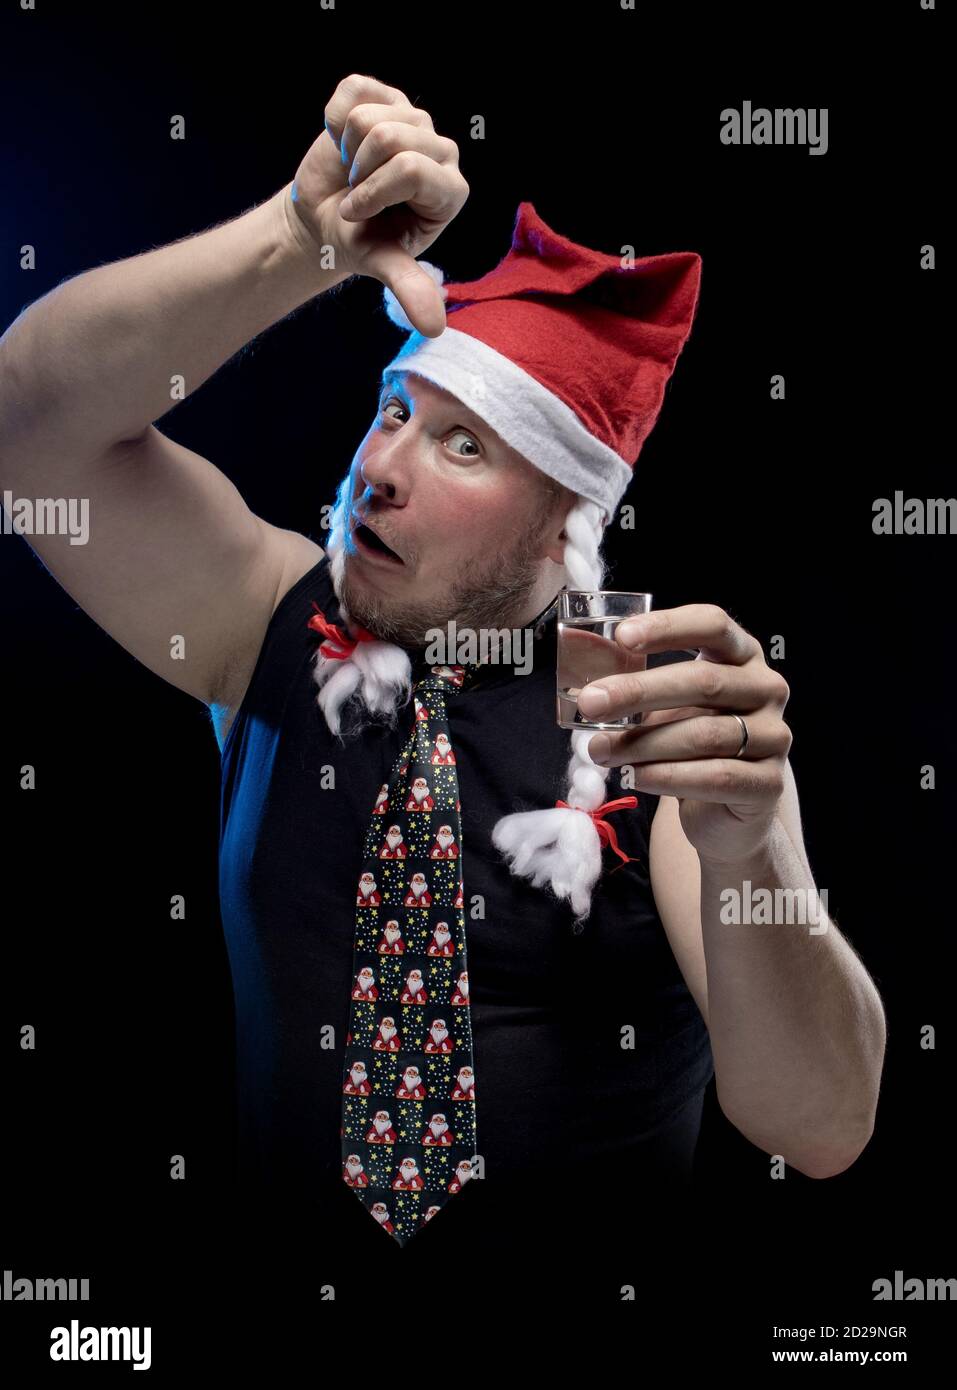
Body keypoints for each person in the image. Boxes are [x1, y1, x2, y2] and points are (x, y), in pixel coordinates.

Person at [0, 72, 886, 1277]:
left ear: (565, 521)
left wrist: (757, 842)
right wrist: (295, 243)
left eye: (464, 443)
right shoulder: (263, 617)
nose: (382, 467)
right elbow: (27, 426)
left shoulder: (652, 720)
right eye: (393, 411)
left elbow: (821, 1126)